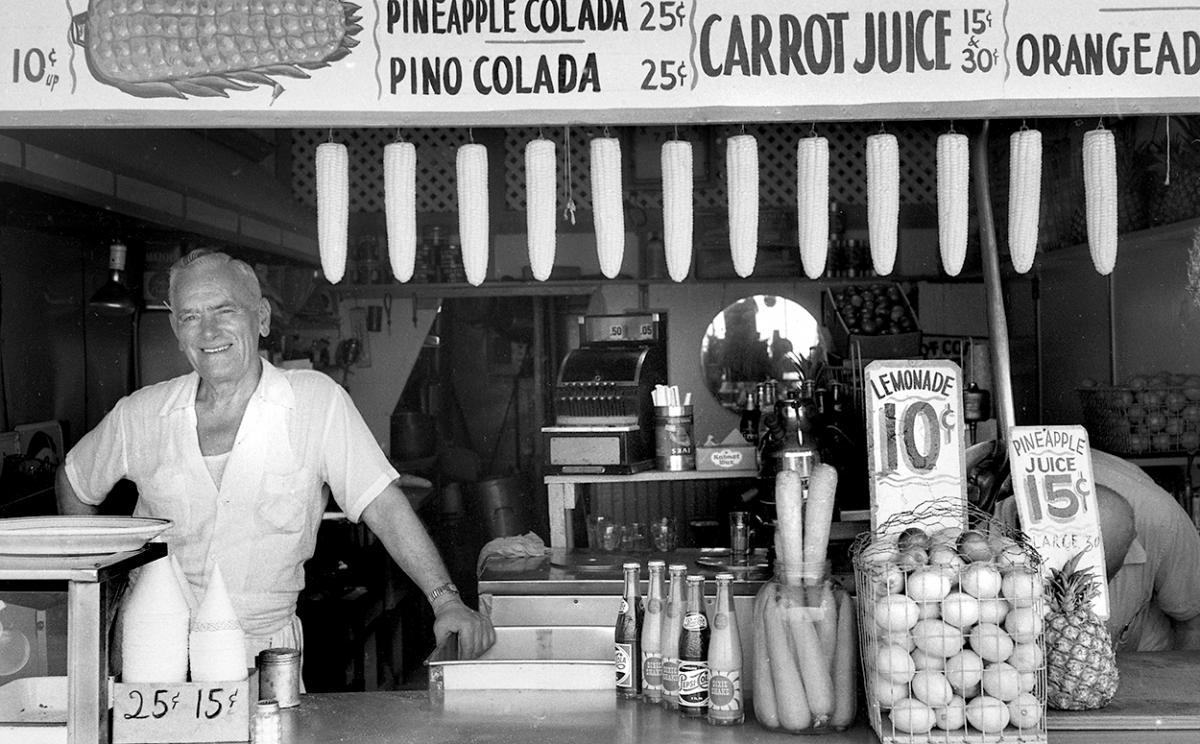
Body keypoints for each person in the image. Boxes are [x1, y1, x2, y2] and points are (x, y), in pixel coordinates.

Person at [56, 249, 495, 666]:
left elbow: (382, 504)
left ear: (261, 319)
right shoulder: (142, 414)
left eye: (225, 310)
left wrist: (447, 601)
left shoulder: (314, 402)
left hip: (260, 651)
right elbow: (74, 481)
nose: (208, 332)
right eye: (190, 316)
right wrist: (96, 594)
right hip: (152, 647)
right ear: (176, 330)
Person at [983, 444, 1200, 652]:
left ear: (1131, 543)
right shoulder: (1000, 529)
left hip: (1141, 653)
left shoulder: (1161, 521)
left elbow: (1193, 621)